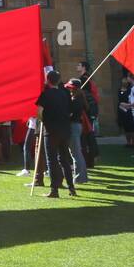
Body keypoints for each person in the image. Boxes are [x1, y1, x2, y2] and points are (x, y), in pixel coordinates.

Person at [36, 71, 78, 199]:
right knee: (64, 159)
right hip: (65, 130)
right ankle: (71, 187)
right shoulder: (65, 93)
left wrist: (44, 120)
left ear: (48, 80)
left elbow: (39, 112)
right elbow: (71, 111)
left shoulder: (45, 94)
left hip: (51, 130)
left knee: (52, 160)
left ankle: (54, 190)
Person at [65, 79, 90, 184]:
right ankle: (81, 177)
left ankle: (80, 177)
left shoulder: (76, 100)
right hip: (76, 126)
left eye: (70, 88)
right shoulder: (77, 98)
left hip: (74, 126)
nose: (68, 89)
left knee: (76, 153)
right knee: (76, 153)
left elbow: (69, 114)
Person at [116, 72, 134, 148]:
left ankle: (133, 143)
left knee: (131, 127)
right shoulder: (119, 89)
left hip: (129, 109)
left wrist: (128, 105)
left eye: (125, 80)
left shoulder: (130, 89)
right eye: (123, 80)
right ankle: (128, 142)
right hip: (122, 109)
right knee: (125, 127)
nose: (124, 81)